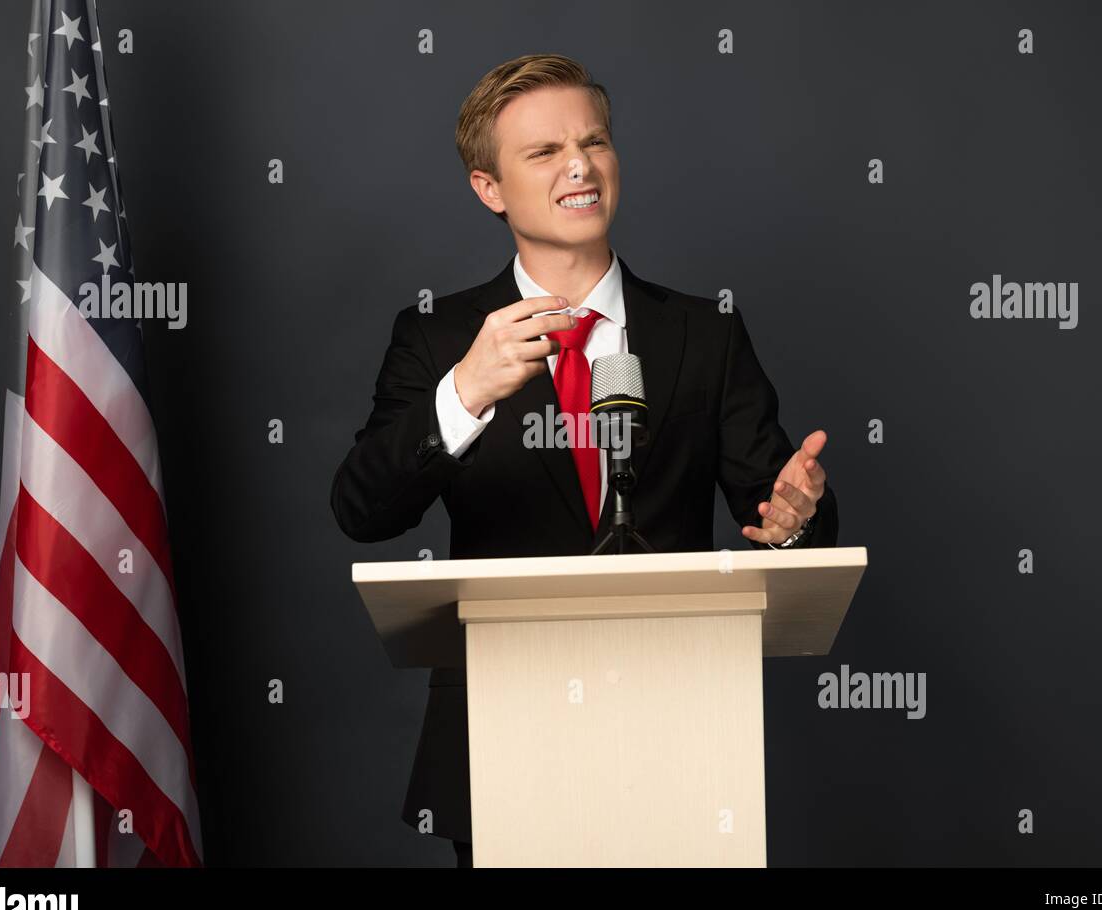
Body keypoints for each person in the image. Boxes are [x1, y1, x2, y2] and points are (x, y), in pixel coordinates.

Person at [331, 53, 838, 867]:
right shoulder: (438, 337)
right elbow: (362, 509)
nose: (579, 166)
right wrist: (462, 392)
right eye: (544, 152)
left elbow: (781, 509)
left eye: (594, 142)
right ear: (488, 189)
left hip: (685, 736)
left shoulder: (704, 334)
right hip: (503, 741)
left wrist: (791, 519)